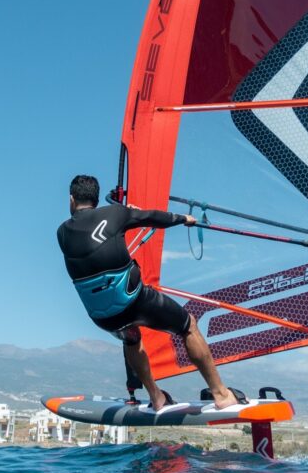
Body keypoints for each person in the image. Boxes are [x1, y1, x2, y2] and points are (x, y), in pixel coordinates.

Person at [57, 174, 238, 411]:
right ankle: (221, 394)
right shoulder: (115, 213)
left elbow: (92, 241)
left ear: (72, 200)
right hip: (134, 301)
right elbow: (151, 217)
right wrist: (183, 218)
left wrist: (124, 214)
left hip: (103, 317)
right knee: (188, 326)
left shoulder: (61, 233)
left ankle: (156, 396)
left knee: (132, 337)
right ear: (96, 199)